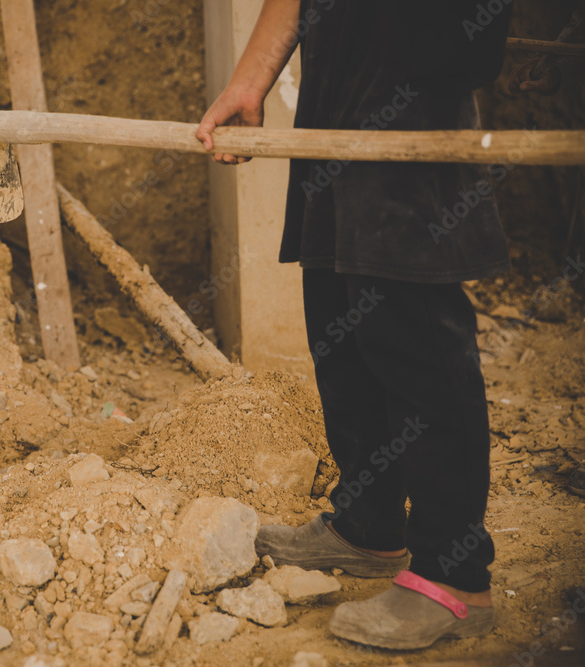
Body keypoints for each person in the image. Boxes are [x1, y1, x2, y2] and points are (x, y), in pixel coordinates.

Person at [197, 0, 513, 650]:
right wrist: (250, 81)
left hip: (415, 99)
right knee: (339, 322)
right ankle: (368, 525)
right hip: (335, 97)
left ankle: (454, 576)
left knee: (413, 333)